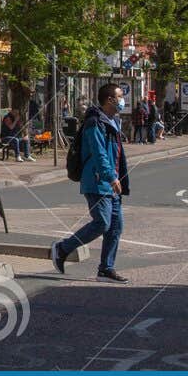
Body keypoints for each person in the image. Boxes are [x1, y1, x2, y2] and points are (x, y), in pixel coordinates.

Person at [51, 83, 130, 282]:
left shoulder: (111, 121)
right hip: (98, 181)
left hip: (111, 182)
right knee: (102, 223)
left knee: (116, 226)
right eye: (120, 96)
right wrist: (110, 177)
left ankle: (106, 268)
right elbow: (99, 153)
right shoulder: (95, 123)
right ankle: (62, 248)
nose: (123, 100)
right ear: (110, 100)